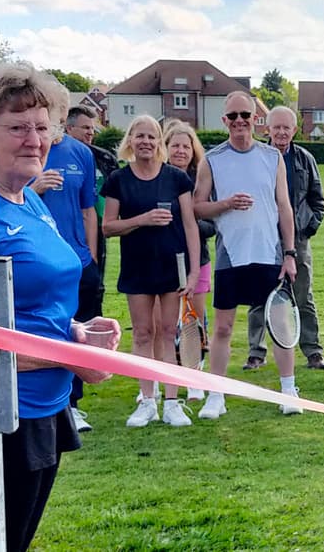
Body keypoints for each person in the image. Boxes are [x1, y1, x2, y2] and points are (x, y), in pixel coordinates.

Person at [0, 64, 120, 552]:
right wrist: (70, 355)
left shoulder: (30, 201)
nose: (34, 139)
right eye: (17, 127)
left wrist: (79, 332)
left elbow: (38, 303)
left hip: (46, 404)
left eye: (42, 127)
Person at [193, 92, 302, 418]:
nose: (240, 121)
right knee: (223, 328)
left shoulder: (272, 158)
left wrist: (290, 253)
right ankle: (216, 395)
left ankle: (288, 391)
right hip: (231, 256)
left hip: (269, 254)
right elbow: (198, 205)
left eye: (245, 115)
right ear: (224, 121)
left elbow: (284, 207)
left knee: (279, 325)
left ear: (256, 119)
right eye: (233, 116)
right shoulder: (212, 159)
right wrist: (226, 204)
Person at [102, 114, 200, 428]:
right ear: (130, 140)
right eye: (139, 136)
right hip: (137, 267)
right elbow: (107, 227)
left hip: (172, 267)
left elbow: (190, 225)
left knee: (169, 333)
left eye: (151, 137)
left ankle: (172, 402)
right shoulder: (119, 179)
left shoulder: (176, 178)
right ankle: (147, 401)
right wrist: (141, 220)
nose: (145, 142)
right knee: (143, 333)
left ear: (160, 142)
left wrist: (195, 271)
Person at [245, 105, 324, 370]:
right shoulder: (255, 157)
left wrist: (306, 228)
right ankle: (256, 353)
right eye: (276, 127)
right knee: (259, 295)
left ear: (294, 130)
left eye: (286, 127)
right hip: (262, 238)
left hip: (298, 239)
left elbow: (318, 201)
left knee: (303, 296)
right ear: (266, 129)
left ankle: (313, 351)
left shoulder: (305, 159)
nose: (281, 132)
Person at [33, 103, 99, 433]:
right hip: (40, 262)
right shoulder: (28, 153)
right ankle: (55, 406)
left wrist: (93, 257)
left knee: (82, 329)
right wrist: (35, 188)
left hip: (79, 260)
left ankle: (74, 404)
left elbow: (89, 209)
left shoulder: (82, 153)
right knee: (49, 330)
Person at [162, 120, 215, 400]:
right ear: (166, 148)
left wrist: (187, 224)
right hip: (162, 261)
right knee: (164, 326)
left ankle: (195, 378)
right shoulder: (156, 178)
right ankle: (160, 379)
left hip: (198, 261)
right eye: (175, 145)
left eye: (186, 146)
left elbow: (211, 224)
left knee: (193, 321)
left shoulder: (200, 181)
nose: (181, 150)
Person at [65, 105, 119, 302]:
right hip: (69, 226)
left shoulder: (103, 158)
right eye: (85, 127)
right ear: (68, 128)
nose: (90, 132)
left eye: (92, 128)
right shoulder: (55, 156)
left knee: (95, 285)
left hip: (97, 227)